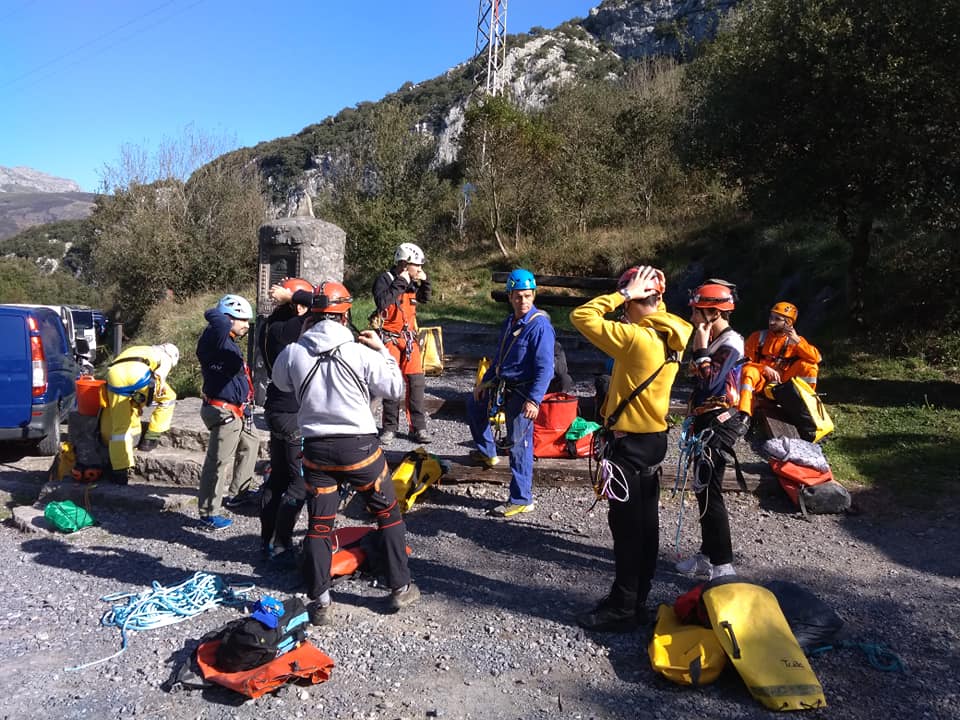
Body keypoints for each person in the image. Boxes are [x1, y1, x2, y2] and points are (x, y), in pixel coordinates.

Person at [271, 281, 420, 625]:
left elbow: (281, 383)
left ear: (312, 315)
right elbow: (395, 388)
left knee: (319, 524)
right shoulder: (359, 352)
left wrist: (303, 343)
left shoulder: (293, 352)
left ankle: (321, 601)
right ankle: (400, 587)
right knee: (388, 515)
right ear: (344, 315)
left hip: (317, 450)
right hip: (359, 447)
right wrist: (382, 351)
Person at [570, 265, 692, 632]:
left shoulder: (636, 339)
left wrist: (623, 293)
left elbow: (582, 316)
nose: (623, 312)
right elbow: (654, 310)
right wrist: (643, 294)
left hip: (628, 444)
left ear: (637, 300)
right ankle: (636, 600)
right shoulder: (672, 333)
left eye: (628, 304)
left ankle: (622, 608)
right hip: (653, 441)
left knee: (625, 529)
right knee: (646, 528)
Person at [467, 268, 555, 518]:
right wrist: (484, 383)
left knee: (519, 445)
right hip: (503, 383)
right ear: (510, 297)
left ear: (534, 295)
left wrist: (534, 400)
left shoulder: (540, 326)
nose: (523, 301)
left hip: (523, 391)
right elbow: (500, 358)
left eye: (527, 295)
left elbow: (545, 368)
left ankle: (521, 498)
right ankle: (488, 453)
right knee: (474, 405)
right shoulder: (510, 322)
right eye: (518, 296)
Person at [675, 281, 748, 580]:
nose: (692, 315)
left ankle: (723, 564)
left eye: (697, 311)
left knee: (711, 490)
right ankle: (707, 555)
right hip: (705, 421)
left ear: (714, 314)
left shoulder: (730, 343)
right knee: (701, 487)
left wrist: (701, 349)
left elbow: (711, 382)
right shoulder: (716, 340)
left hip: (720, 424)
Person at [257, 278, 315, 560]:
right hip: (292, 412)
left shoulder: (270, 324)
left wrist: (290, 299)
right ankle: (281, 544)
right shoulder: (290, 328)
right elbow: (319, 306)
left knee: (278, 478)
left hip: (275, 408)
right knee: (299, 483)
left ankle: (266, 540)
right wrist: (293, 297)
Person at [196, 294, 258, 531]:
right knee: (218, 462)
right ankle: (209, 513)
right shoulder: (215, 338)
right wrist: (221, 314)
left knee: (250, 443)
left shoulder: (227, 341)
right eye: (242, 319)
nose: (247, 325)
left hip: (236, 408)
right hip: (223, 411)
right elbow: (218, 321)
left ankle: (238, 493)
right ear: (228, 318)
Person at [371, 242, 432, 445]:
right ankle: (390, 428)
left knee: (416, 382)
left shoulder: (413, 282)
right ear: (405, 264)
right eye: (417, 265)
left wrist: (426, 282)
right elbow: (382, 302)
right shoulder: (384, 280)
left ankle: (418, 427)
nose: (420, 269)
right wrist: (401, 282)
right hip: (389, 338)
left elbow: (424, 298)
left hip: (409, 339)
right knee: (392, 383)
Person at [100, 343, 180, 484]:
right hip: (138, 375)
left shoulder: (138, 349)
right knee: (169, 398)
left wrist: (139, 401)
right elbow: (160, 374)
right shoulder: (165, 356)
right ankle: (151, 438)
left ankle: (119, 471)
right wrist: (158, 388)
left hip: (114, 377)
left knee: (120, 428)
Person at [738, 301, 822, 417]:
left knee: (810, 367)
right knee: (748, 371)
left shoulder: (796, 341)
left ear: (788, 323)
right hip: (760, 381)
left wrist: (797, 342)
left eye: (777, 319)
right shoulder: (757, 337)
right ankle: (744, 414)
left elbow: (816, 358)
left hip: (782, 386)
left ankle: (804, 409)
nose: (771, 322)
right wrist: (763, 368)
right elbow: (744, 362)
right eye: (771, 317)